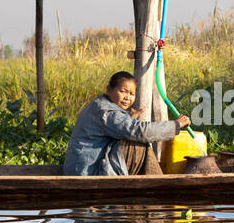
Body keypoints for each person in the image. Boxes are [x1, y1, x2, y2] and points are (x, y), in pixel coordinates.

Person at [63, 71, 191, 176]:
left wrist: (129, 118)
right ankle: (156, 186)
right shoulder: (107, 112)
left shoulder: (101, 106)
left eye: (131, 94)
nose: (127, 97)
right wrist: (176, 125)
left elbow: (118, 126)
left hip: (82, 168)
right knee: (140, 143)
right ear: (109, 89)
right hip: (88, 172)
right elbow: (141, 132)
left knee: (135, 138)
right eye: (123, 91)